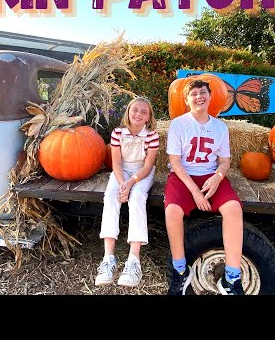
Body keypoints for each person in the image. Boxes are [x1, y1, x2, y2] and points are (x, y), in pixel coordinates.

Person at [164, 78, 245, 295]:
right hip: (183, 176)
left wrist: (217, 177)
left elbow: (225, 161)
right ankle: (181, 271)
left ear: (210, 97)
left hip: (210, 175)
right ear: (186, 100)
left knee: (233, 209)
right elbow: (175, 162)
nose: (199, 97)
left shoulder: (219, 127)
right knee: (172, 211)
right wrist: (195, 192)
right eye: (194, 94)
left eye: (203, 92)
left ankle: (232, 278)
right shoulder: (178, 124)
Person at [95, 96, 159, 288]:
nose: (138, 114)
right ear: (128, 112)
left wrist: (131, 183)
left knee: (137, 197)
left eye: (144, 112)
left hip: (142, 173)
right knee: (110, 196)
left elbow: (148, 166)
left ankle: (133, 259)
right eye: (135, 110)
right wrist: (123, 183)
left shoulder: (151, 135)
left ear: (148, 117)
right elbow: (116, 163)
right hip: (121, 171)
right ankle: (108, 258)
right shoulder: (117, 133)